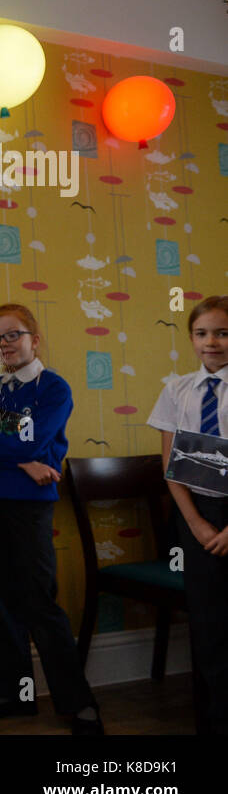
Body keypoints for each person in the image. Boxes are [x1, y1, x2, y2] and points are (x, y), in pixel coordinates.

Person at [0, 303, 101, 734]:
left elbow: (36, 440)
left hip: (31, 505)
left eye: (13, 335)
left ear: (34, 339)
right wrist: (23, 460)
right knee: (4, 600)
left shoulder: (54, 389)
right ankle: (16, 694)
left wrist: (18, 456)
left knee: (39, 601)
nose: (5, 344)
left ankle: (78, 703)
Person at [148, 295, 228, 734]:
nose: (211, 342)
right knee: (209, 625)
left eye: (222, 332)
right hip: (197, 514)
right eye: (202, 333)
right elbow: (171, 468)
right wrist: (196, 525)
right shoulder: (176, 391)